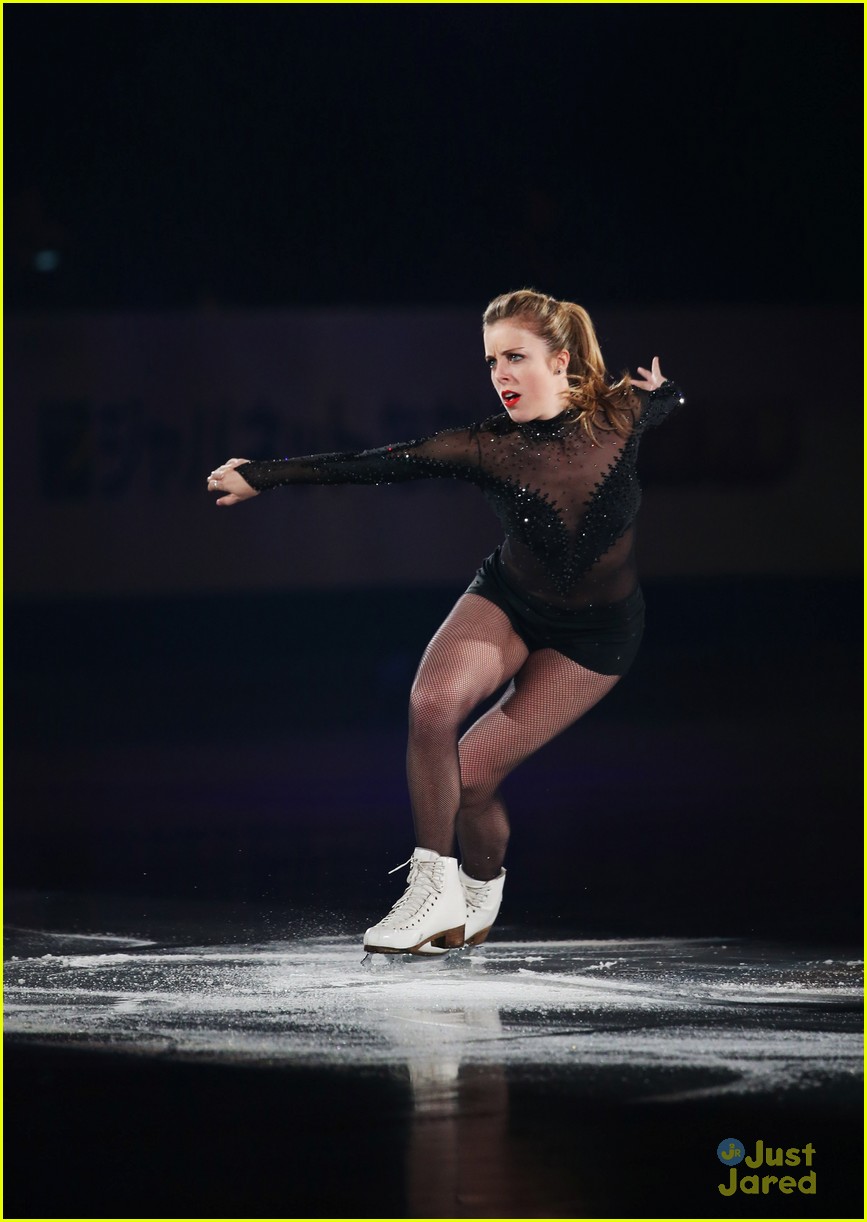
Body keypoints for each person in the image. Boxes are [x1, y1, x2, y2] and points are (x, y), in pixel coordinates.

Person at [207, 289, 685, 956]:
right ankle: (432, 888)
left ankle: (480, 886)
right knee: (430, 701)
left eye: (515, 357)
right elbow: (376, 463)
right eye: (491, 363)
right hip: (509, 600)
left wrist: (665, 392)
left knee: (471, 779)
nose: (501, 377)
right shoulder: (487, 447)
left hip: (596, 636)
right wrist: (263, 474)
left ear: (561, 359)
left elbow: (659, 404)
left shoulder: (618, 417)